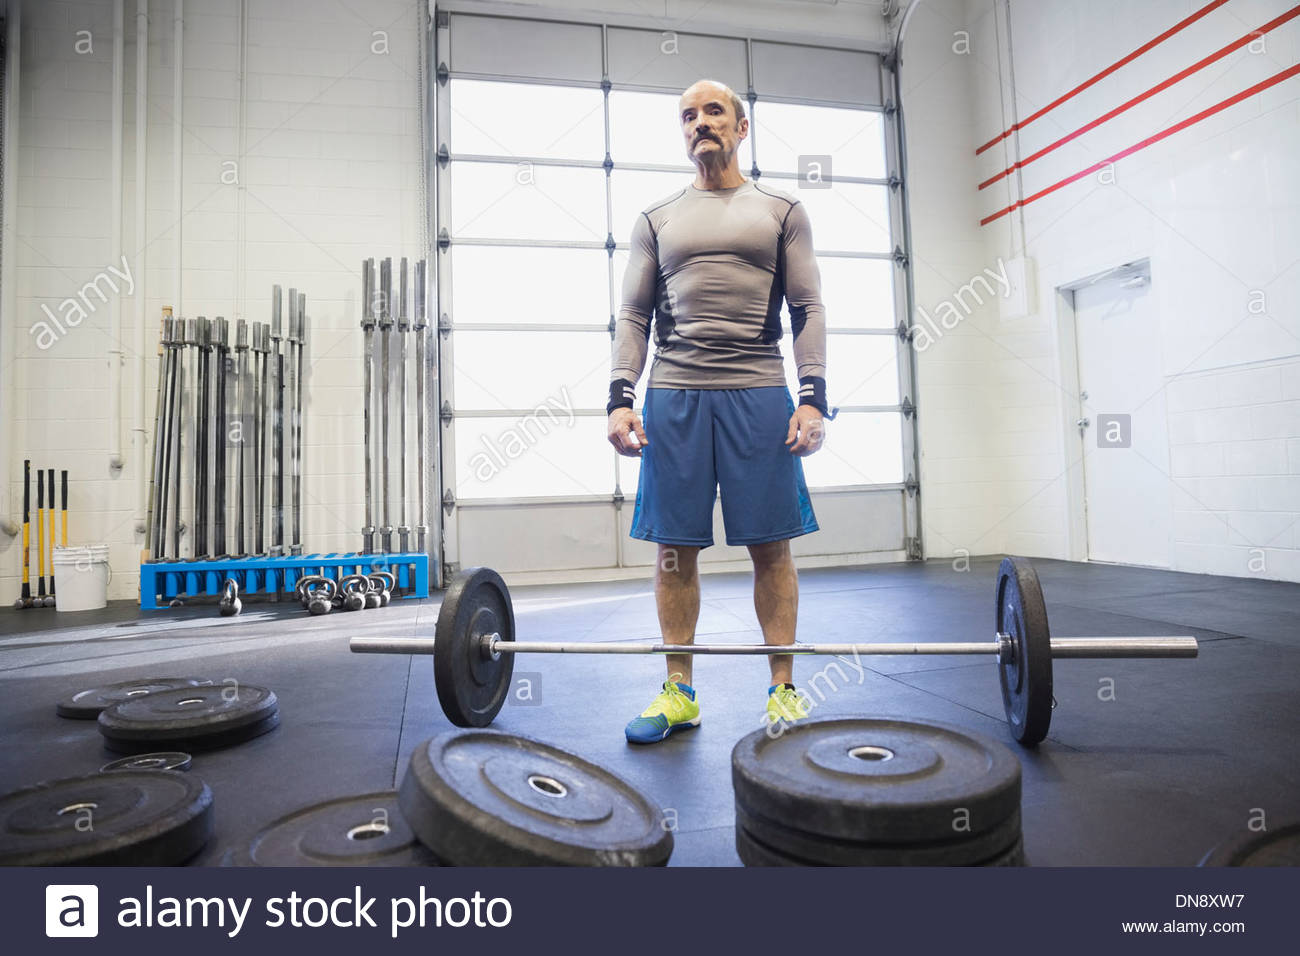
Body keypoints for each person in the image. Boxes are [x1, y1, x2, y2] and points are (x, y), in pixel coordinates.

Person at [607, 78, 828, 745]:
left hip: (759, 392)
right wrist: (620, 396)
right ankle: (680, 692)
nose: (699, 123)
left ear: (741, 127)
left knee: (771, 545)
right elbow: (633, 314)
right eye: (687, 115)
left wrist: (813, 396)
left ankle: (782, 691)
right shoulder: (657, 217)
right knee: (675, 550)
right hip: (674, 395)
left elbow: (808, 308)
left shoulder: (781, 208)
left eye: (713, 112)